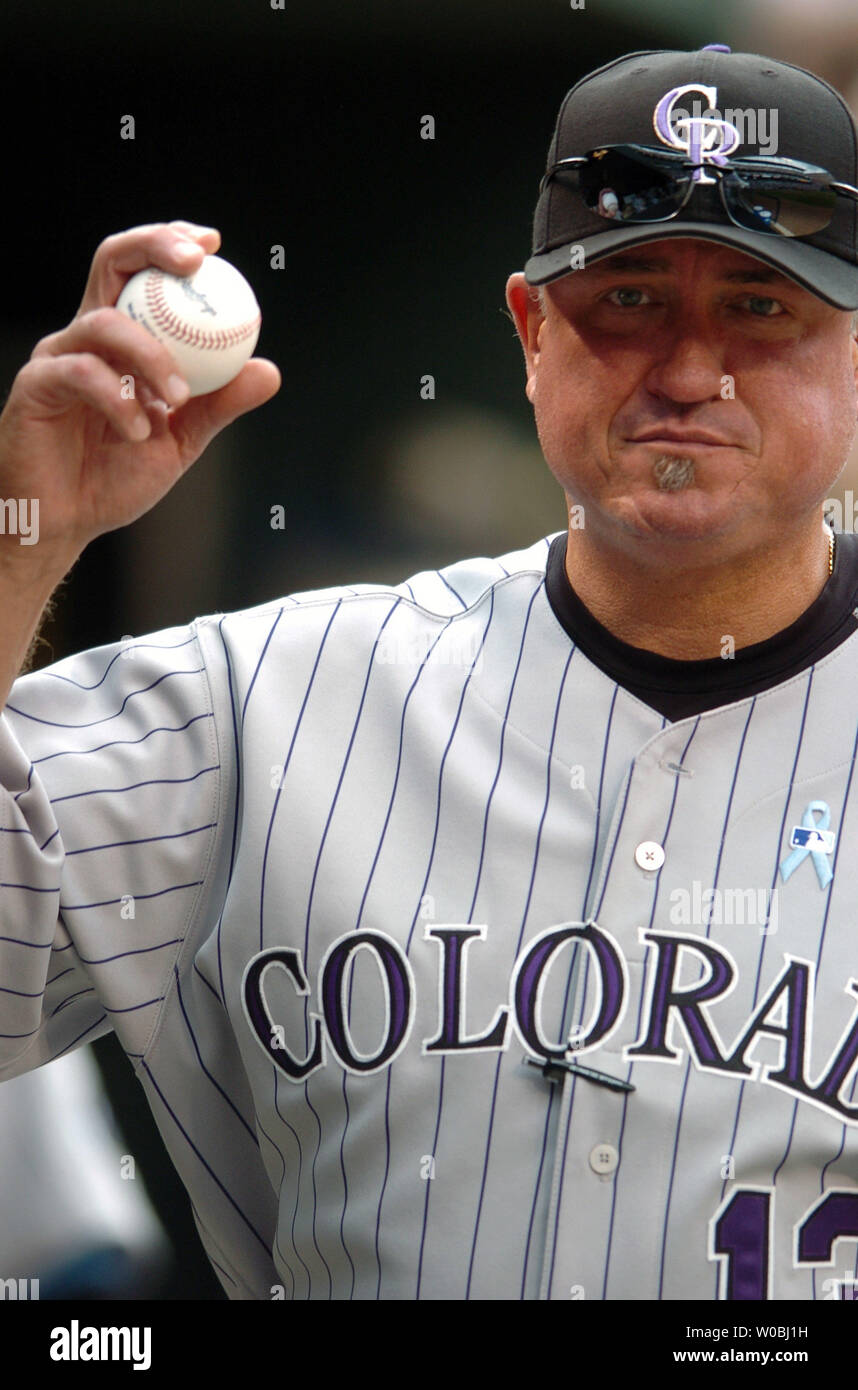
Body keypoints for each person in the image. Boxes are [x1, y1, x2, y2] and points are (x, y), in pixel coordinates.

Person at [2, 43, 858, 1303]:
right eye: (628, 297)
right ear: (530, 334)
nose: (689, 371)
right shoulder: (265, 706)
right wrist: (25, 535)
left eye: (760, 306)